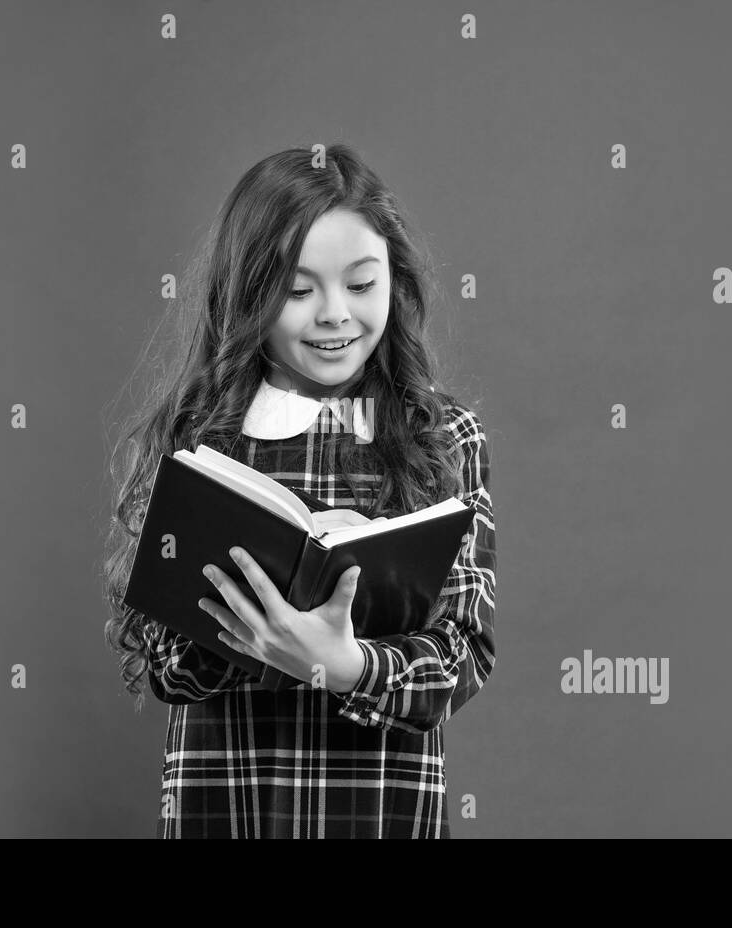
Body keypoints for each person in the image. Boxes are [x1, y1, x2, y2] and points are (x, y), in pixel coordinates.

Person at [101, 142, 497, 838]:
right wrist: (258, 631)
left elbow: (462, 656)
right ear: (250, 292)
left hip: (379, 814)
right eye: (298, 289)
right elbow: (164, 667)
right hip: (226, 808)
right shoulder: (201, 437)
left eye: (361, 284)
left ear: (393, 283)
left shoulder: (446, 436)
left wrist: (344, 665)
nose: (334, 315)